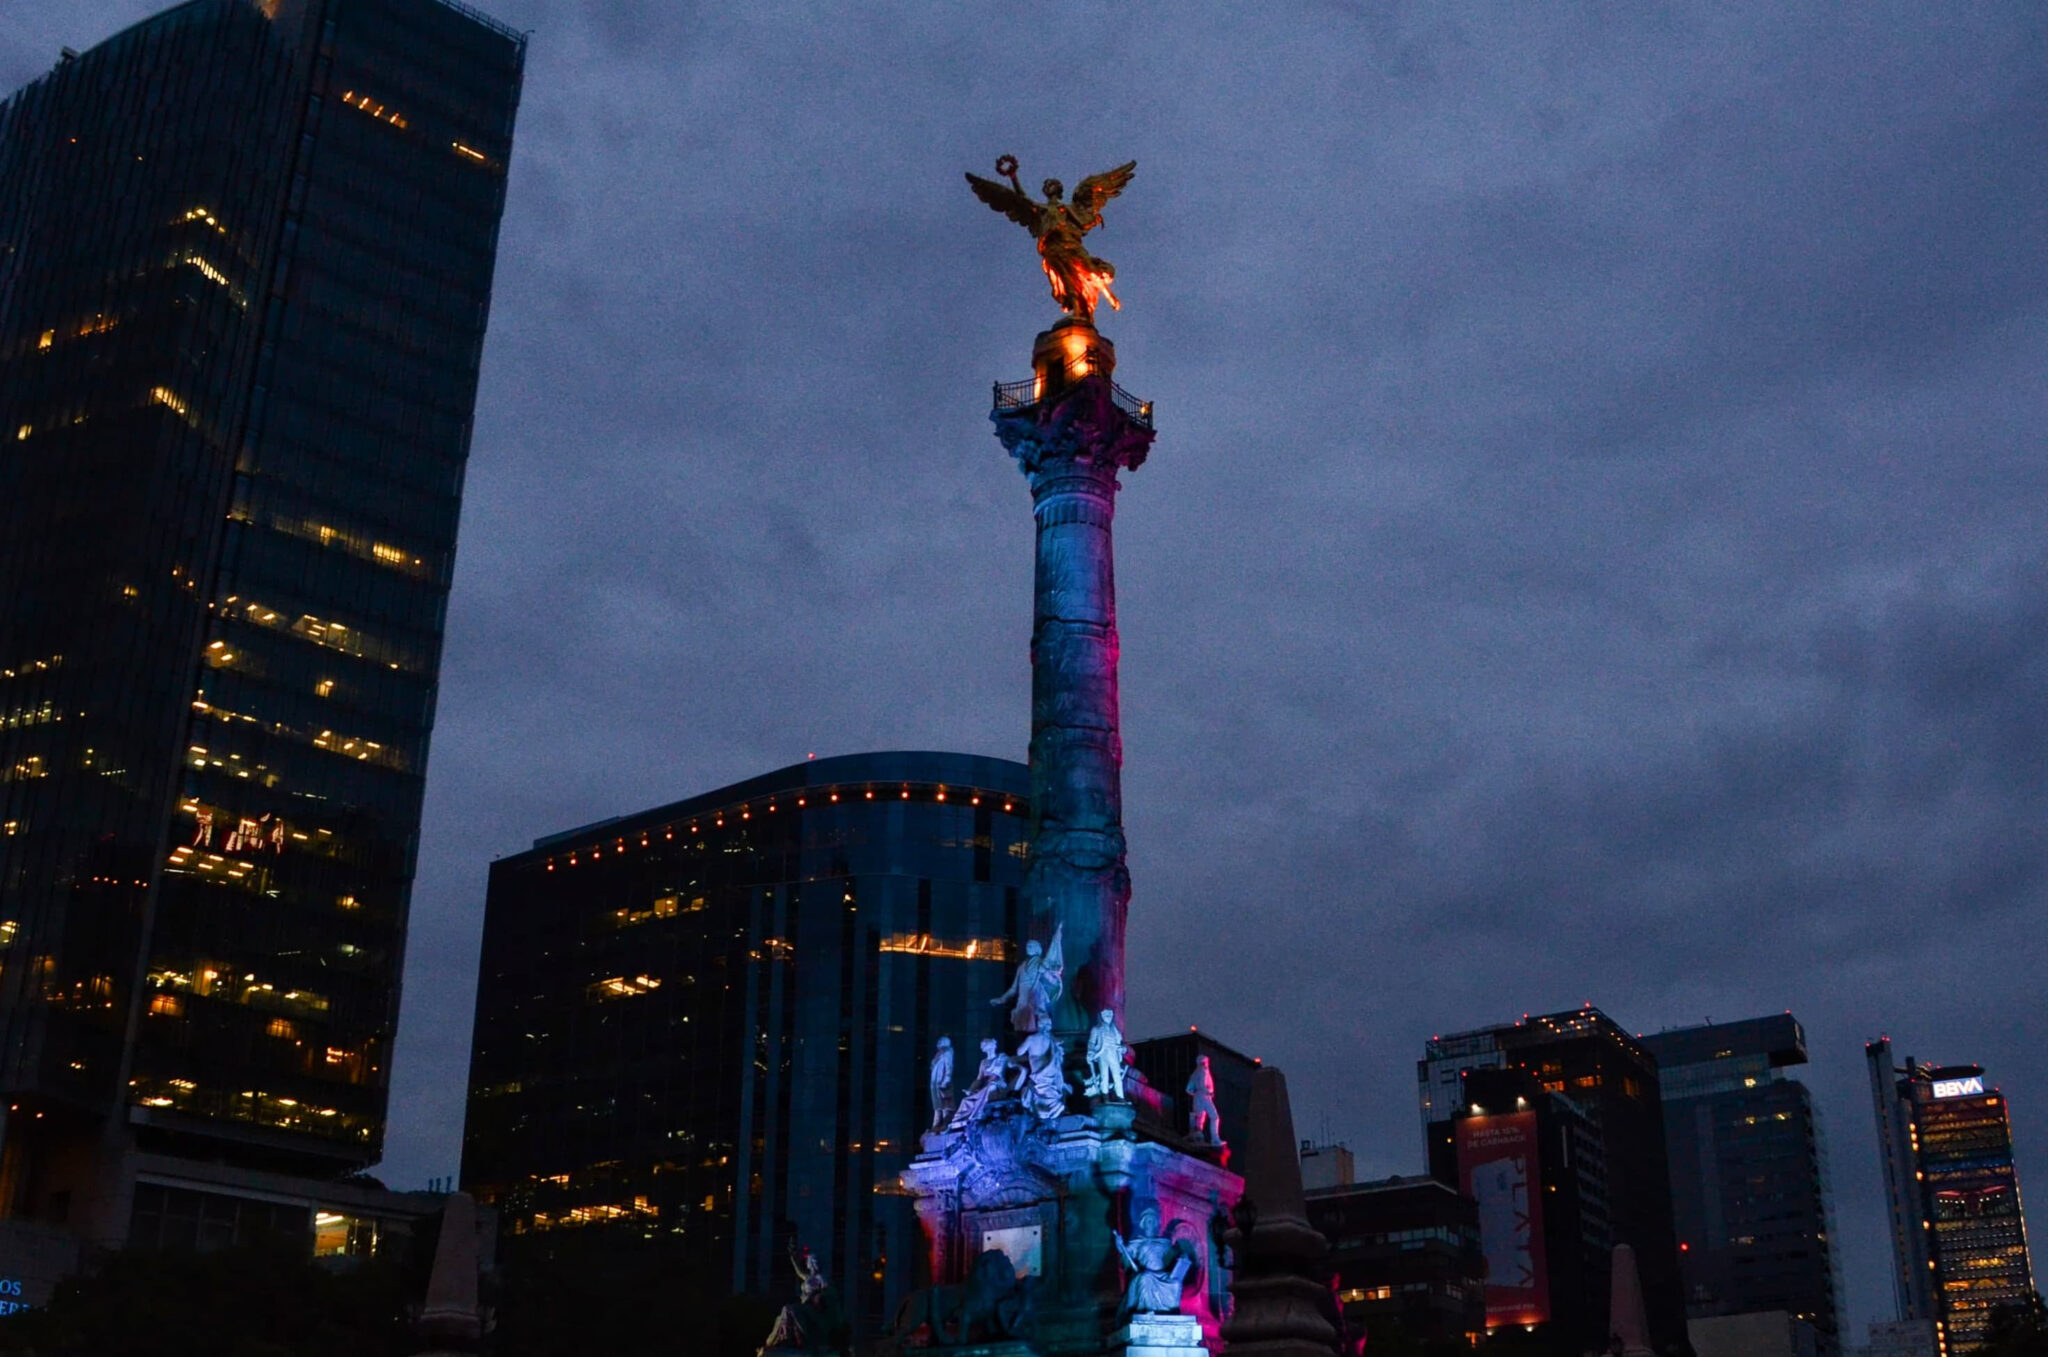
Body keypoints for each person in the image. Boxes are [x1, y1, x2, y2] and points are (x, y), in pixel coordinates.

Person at [1186, 1055, 1222, 1145]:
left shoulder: (1194, 1074)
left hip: (1198, 1097)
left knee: (1199, 1118)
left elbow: (1188, 1089)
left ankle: (1197, 1137)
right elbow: (1202, 1084)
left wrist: (1195, 1094)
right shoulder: (1203, 1071)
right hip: (1204, 1096)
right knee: (1214, 1117)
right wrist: (1208, 1092)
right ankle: (1215, 1139)